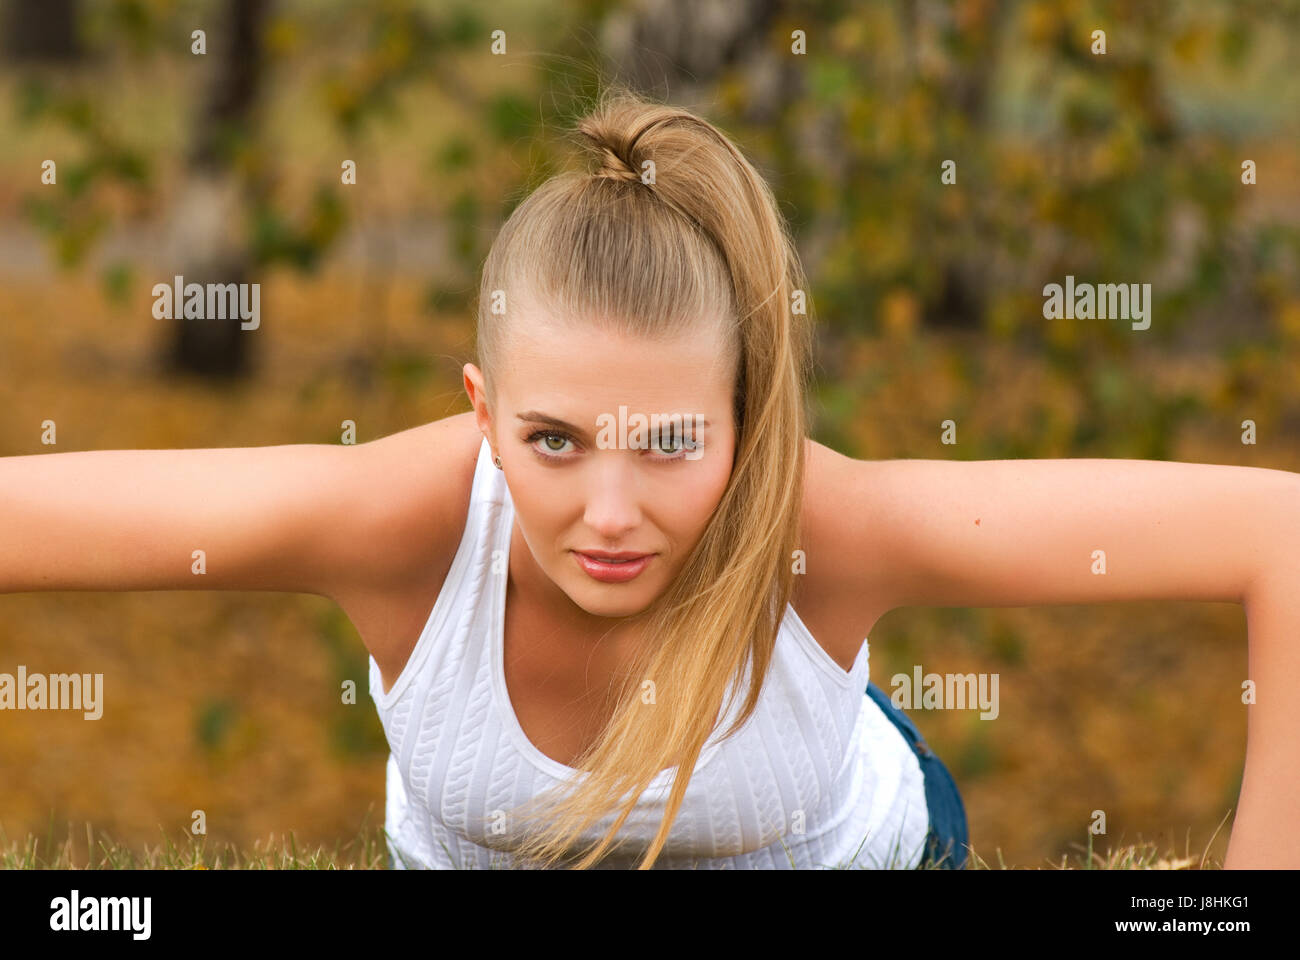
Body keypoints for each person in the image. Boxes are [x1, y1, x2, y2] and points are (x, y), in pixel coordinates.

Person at [4, 87, 1297, 870]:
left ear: (744, 425)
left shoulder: (820, 523)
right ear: (484, 413)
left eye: (672, 443)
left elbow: (1275, 531)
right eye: (554, 440)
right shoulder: (399, 520)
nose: (609, 515)